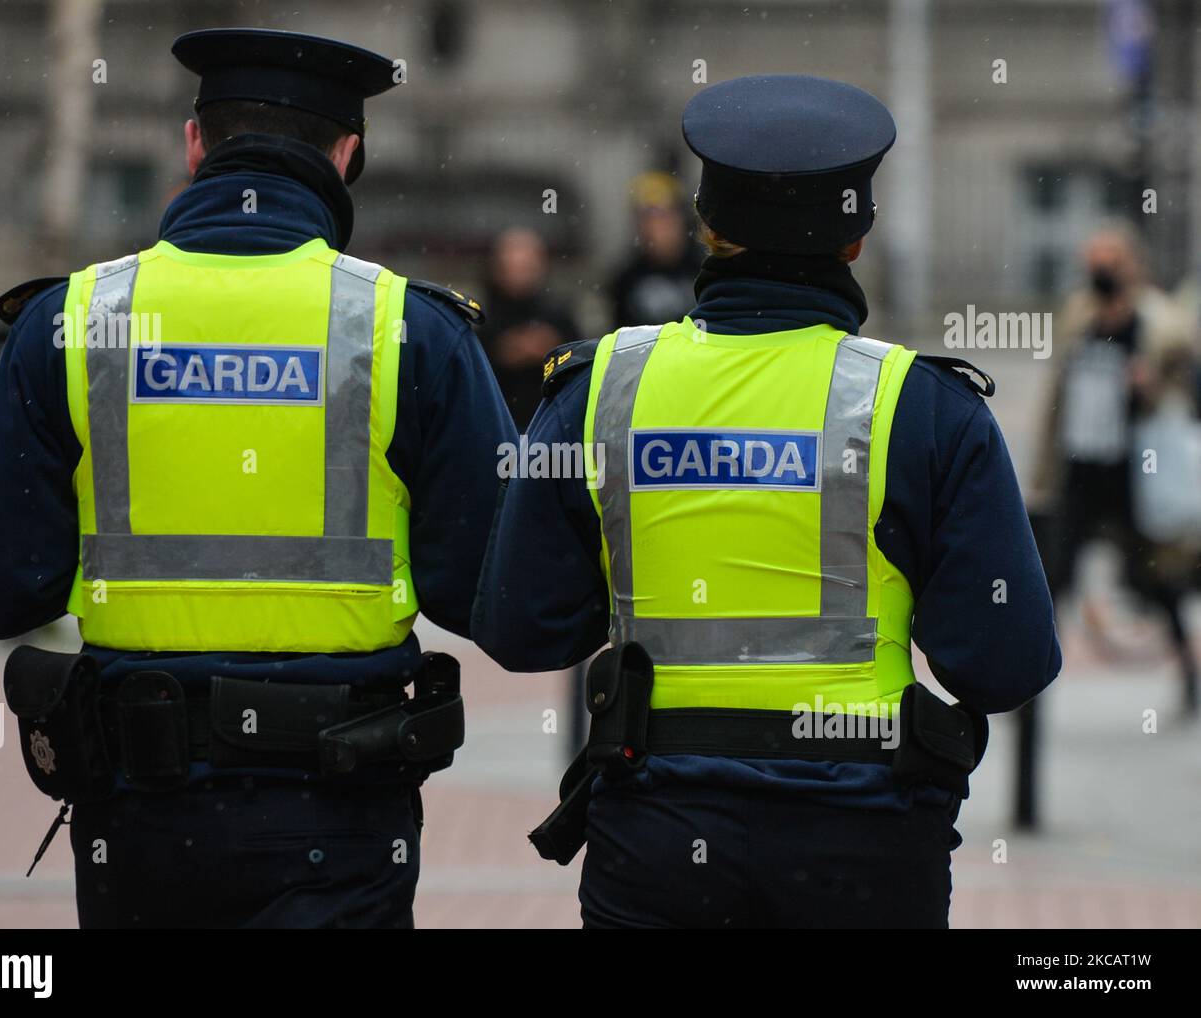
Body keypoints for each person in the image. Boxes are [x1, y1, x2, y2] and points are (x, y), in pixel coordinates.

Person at [0, 27, 515, 929]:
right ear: (348, 154)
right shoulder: (409, 331)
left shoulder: (76, 321)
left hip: (140, 816)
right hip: (341, 808)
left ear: (193, 143)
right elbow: (495, 593)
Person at [472, 75, 1061, 929]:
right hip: (862, 845)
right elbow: (1005, 664)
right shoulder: (924, 410)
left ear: (709, 227)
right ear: (856, 239)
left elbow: (523, 629)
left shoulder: (598, 389)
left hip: (658, 846)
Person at [1031, 227, 1198, 713]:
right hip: (1081, 471)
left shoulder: (1160, 324)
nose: (1099, 271)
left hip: (1132, 476)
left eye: (1109, 261)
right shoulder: (1079, 316)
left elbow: (1183, 391)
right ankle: (1031, 693)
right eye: (1093, 261)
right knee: (1052, 579)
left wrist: (1151, 382)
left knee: (1153, 580)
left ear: (1131, 266)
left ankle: (1188, 674)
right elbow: (1057, 398)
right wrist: (1045, 472)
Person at [476, 227, 580, 430]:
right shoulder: (483, 316)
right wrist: (505, 351)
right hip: (499, 423)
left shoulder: (558, 313)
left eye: (525, 266)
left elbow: (579, 362)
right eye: (512, 266)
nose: (518, 274)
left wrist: (552, 349)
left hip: (550, 425)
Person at [608, 171, 704, 328]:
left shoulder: (703, 268)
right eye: (647, 217)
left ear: (680, 218)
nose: (655, 227)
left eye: (663, 216)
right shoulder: (626, 279)